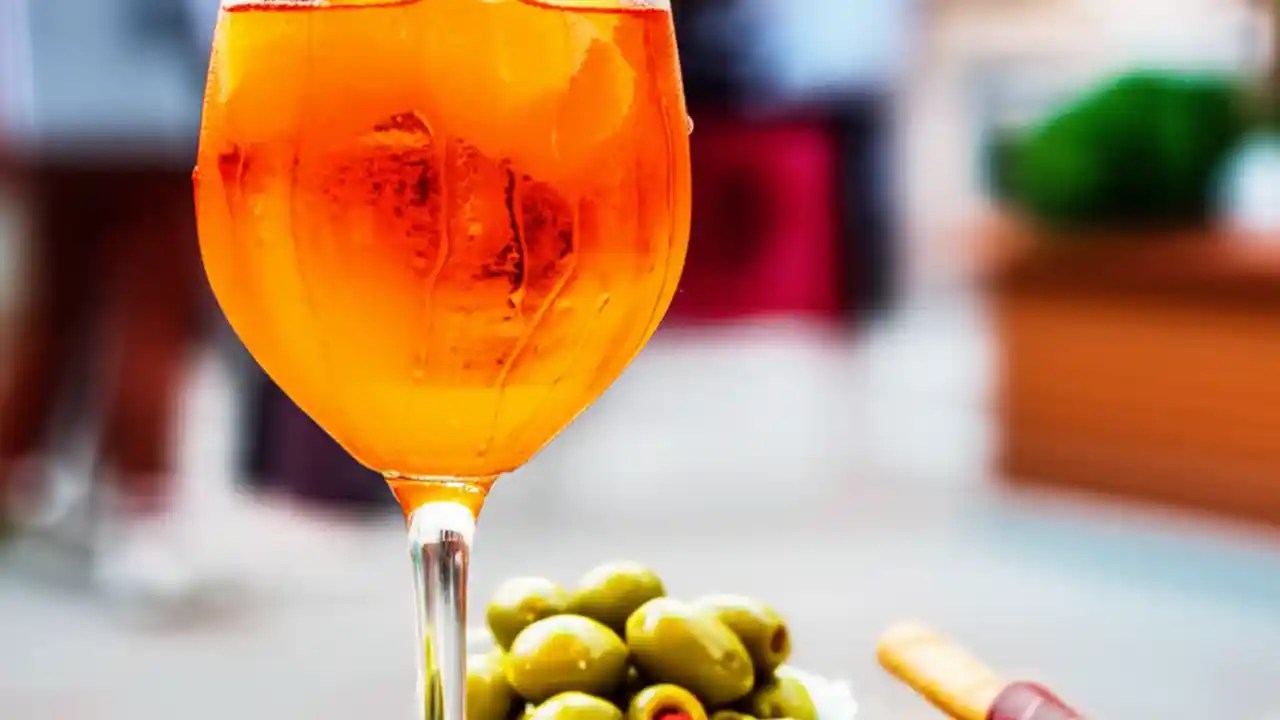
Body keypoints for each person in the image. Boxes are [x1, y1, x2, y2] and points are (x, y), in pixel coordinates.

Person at [0, 0, 220, 612]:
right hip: (151, 122)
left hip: (49, 119)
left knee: (53, 314)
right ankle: (144, 510)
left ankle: (16, 476)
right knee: (152, 322)